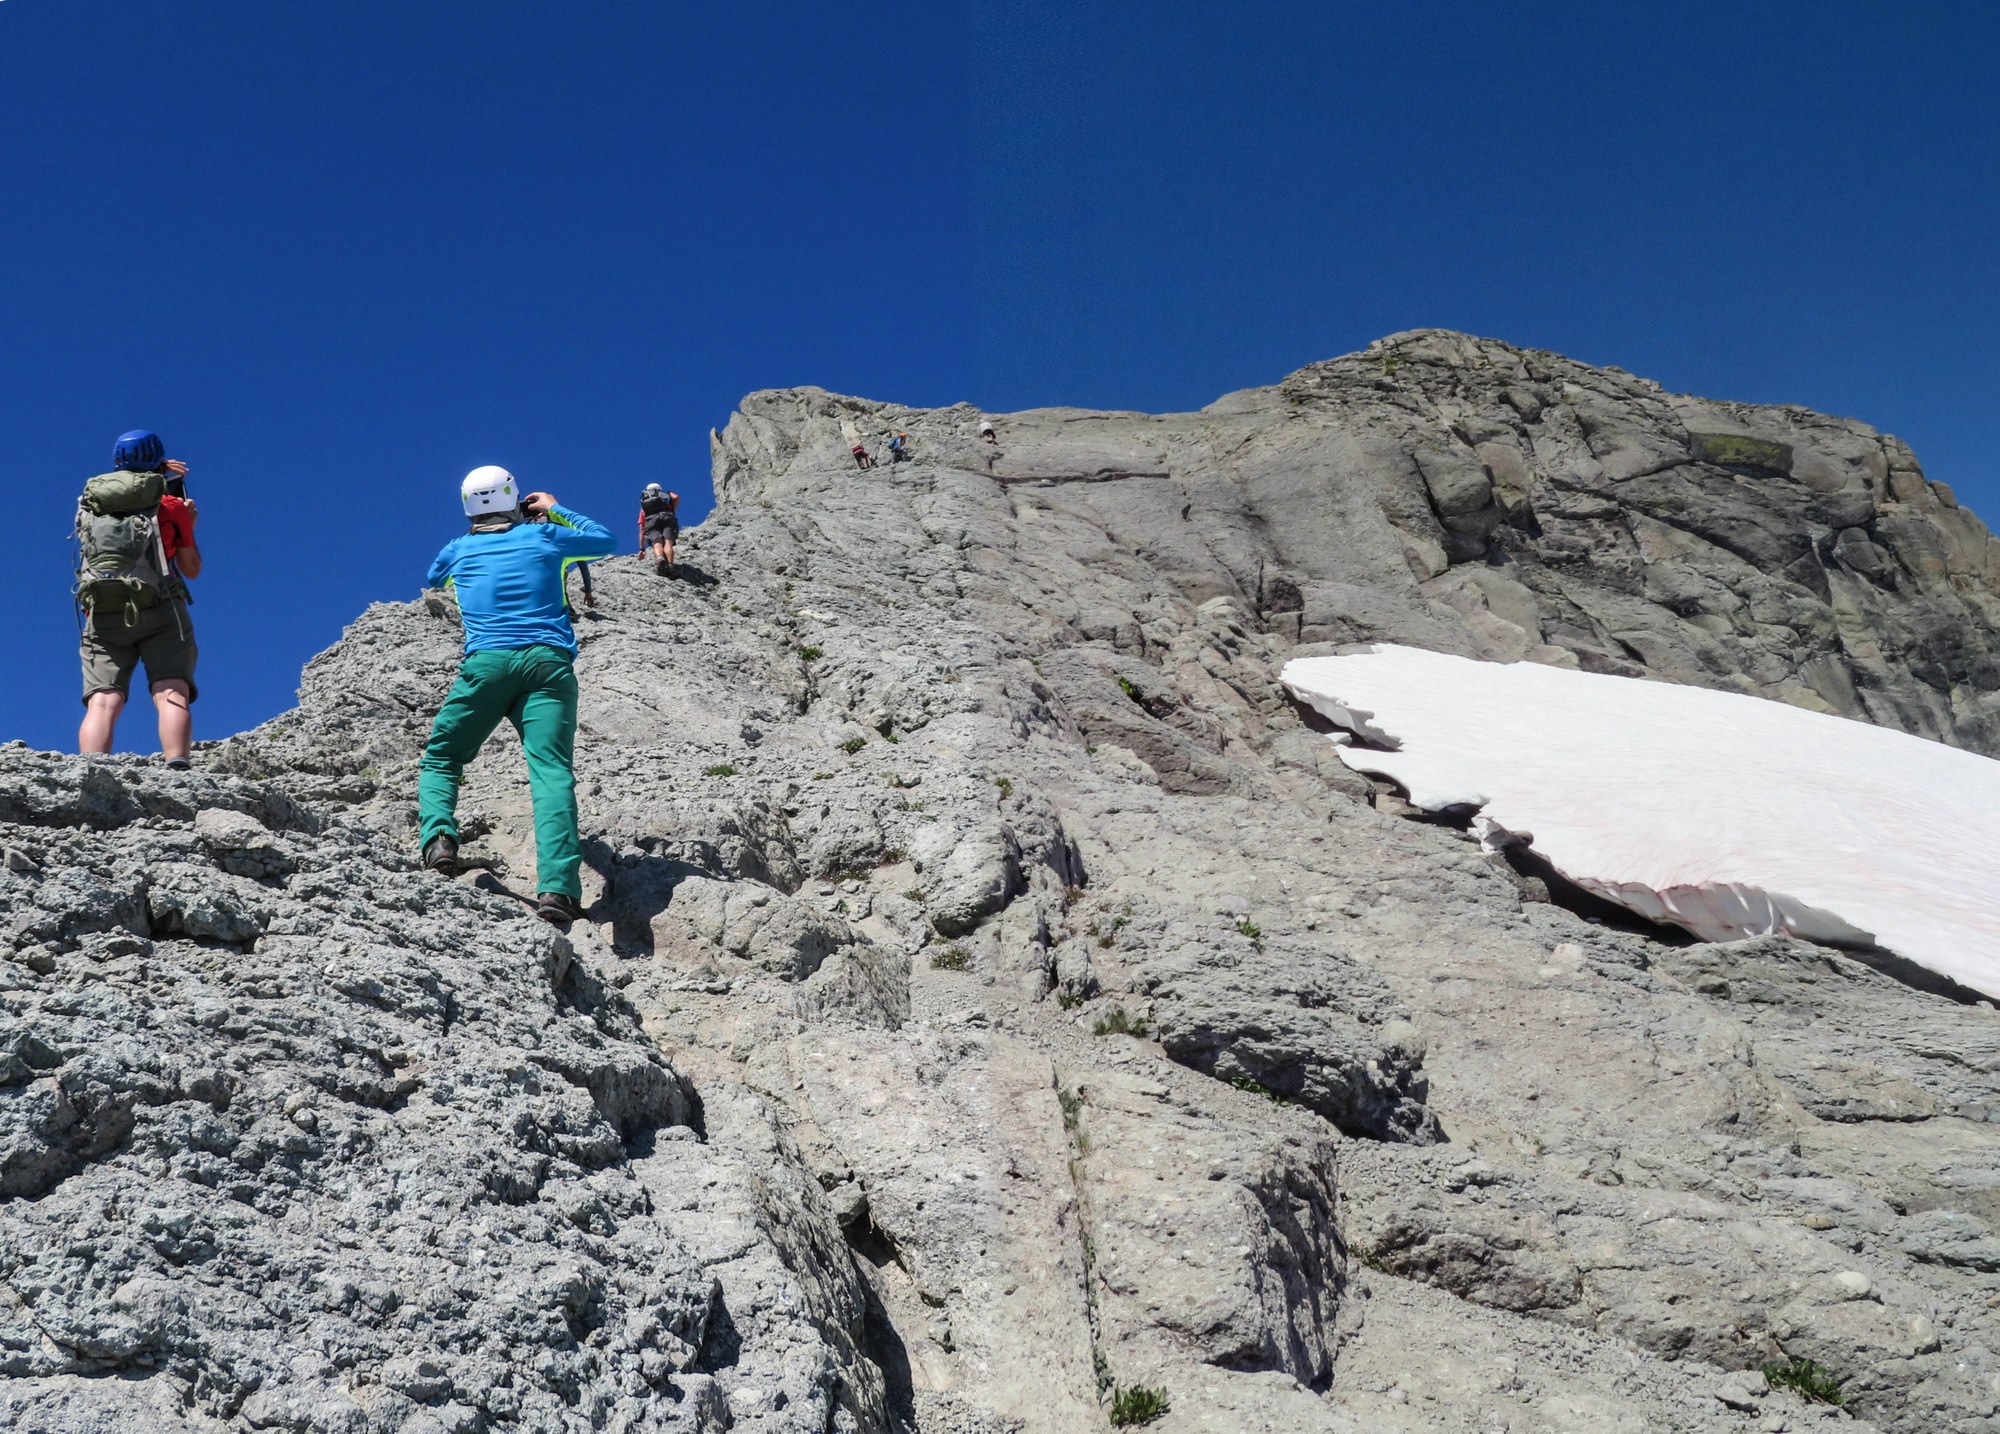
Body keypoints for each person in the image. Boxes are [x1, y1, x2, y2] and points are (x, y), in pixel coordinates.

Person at [417, 466, 614, 927]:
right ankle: (557, 891)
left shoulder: (458, 550)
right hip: (547, 665)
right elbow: (604, 539)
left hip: (486, 665)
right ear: (516, 497)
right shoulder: (546, 538)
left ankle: (441, 841)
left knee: (443, 757)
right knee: (550, 772)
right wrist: (553, 509)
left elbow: (434, 575)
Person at [76, 430, 202, 769]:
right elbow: (191, 568)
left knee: (103, 699)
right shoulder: (171, 505)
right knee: (170, 687)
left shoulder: (90, 503)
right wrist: (188, 524)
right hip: (161, 605)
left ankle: (92, 769)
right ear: (157, 461)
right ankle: (177, 763)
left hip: (102, 609)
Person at [638, 483, 679, 571]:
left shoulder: (644, 505)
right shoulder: (665, 498)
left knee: (656, 543)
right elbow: (676, 497)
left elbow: (642, 527)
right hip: (667, 516)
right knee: (668, 542)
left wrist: (642, 548)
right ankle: (670, 565)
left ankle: (660, 559)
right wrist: (672, 509)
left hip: (651, 519)